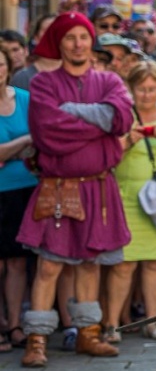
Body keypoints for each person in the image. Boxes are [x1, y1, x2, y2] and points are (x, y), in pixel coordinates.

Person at [17, 12, 134, 367]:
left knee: (90, 264)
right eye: (70, 37)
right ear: (60, 43)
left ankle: (88, 334)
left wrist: (72, 113)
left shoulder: (110, 81)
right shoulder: (43, 84)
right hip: (58, 188)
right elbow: (47, 132)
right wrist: (99, 122)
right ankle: (36, 339)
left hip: (99, 188)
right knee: (49, 265)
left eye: (84, 36)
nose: (78, 43)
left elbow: (122, 120)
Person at [104, 61, 156, 342]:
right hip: (125, 198)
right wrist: (129, 140)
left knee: (155, 262)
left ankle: (152, 322)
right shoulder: (122, 117)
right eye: (141, 89)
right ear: (132, 88)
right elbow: (107, 155)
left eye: (152, 89)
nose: (147, 95)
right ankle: (112, 324)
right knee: (123, 264)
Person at [0, 48, 38, 351]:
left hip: (26, 188)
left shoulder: (25, 98)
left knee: (17, 262)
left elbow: (40, 140)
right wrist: (23, 143)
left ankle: (14, 324)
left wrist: (11, 148)